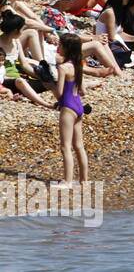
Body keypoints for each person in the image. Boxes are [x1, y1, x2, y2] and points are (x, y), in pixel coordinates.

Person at [54, 33, 89, 187]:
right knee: (79, 146)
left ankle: (67, 182)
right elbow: (83, 91)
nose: (58, 47)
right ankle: (84, 181)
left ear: (67, 48)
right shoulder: (78, 65)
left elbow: (60, 93)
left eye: (60, 45)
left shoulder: (63, 67)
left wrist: (49, 85)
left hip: (68, 107)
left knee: (65, 146)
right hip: (78, 106)